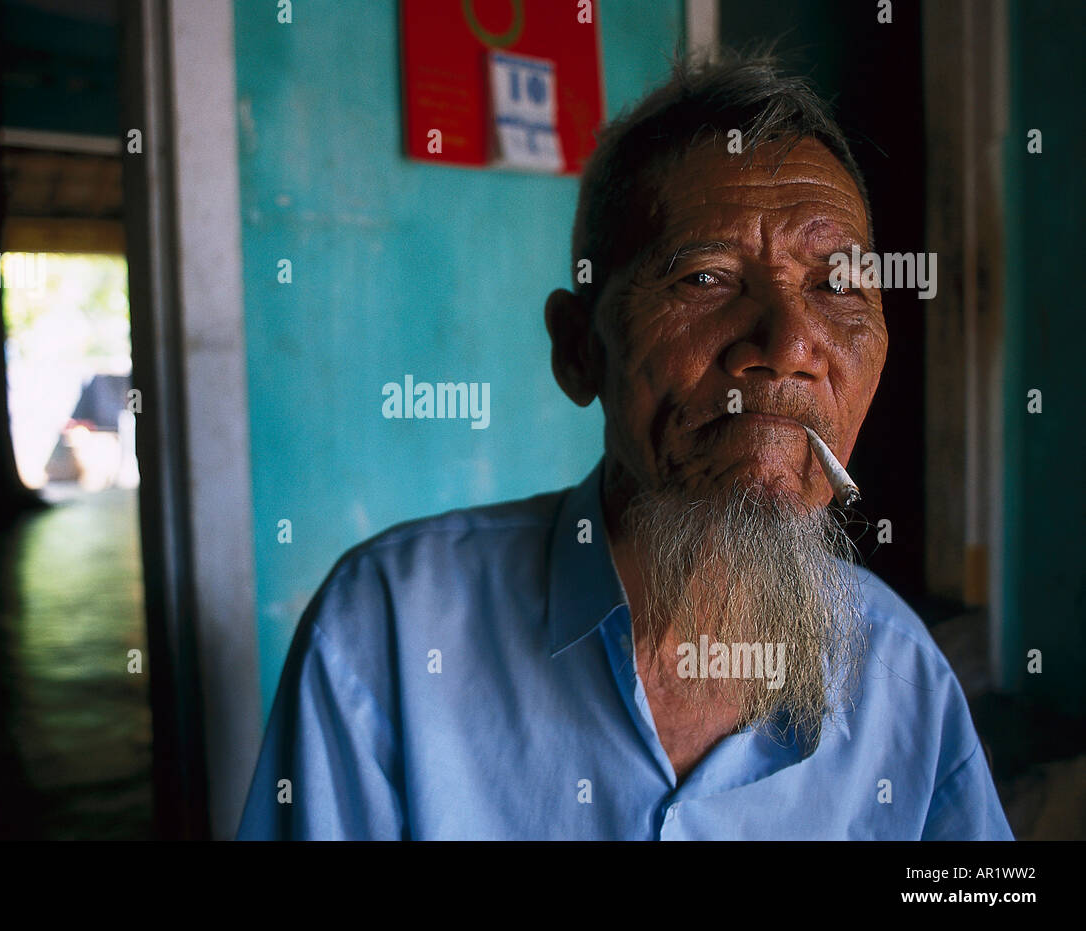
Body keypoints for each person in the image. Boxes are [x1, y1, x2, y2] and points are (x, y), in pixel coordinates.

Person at [235, 52, 1014, 840]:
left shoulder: (902, 676)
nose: (789, 342)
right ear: (579, 350)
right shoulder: (387, 630)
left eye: (837, 285)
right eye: (706, 278)